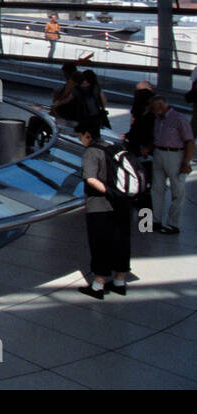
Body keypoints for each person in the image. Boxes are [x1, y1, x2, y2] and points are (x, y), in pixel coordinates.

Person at [75, 120, 131, 299]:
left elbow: (90, 179)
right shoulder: (113, 146)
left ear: (87, 135)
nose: (80, 139)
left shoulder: (91, 151)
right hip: (122, 204)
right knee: (121, 242)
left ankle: (98, 285)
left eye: (80, 135)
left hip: (100, 206)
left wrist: (109, 192)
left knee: (100, 244)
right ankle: (119, 282)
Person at [148, 96, 192, 234]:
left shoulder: (179, 119)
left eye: (154, 108)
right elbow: (157, 138)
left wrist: (186, 162)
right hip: (158, 153)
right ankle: (156, 220)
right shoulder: (158, 119)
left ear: (161, 106)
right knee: (157, 188)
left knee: (177, 190)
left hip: (174, 155)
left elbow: (189, 141)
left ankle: (173, 224)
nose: (153, 111)